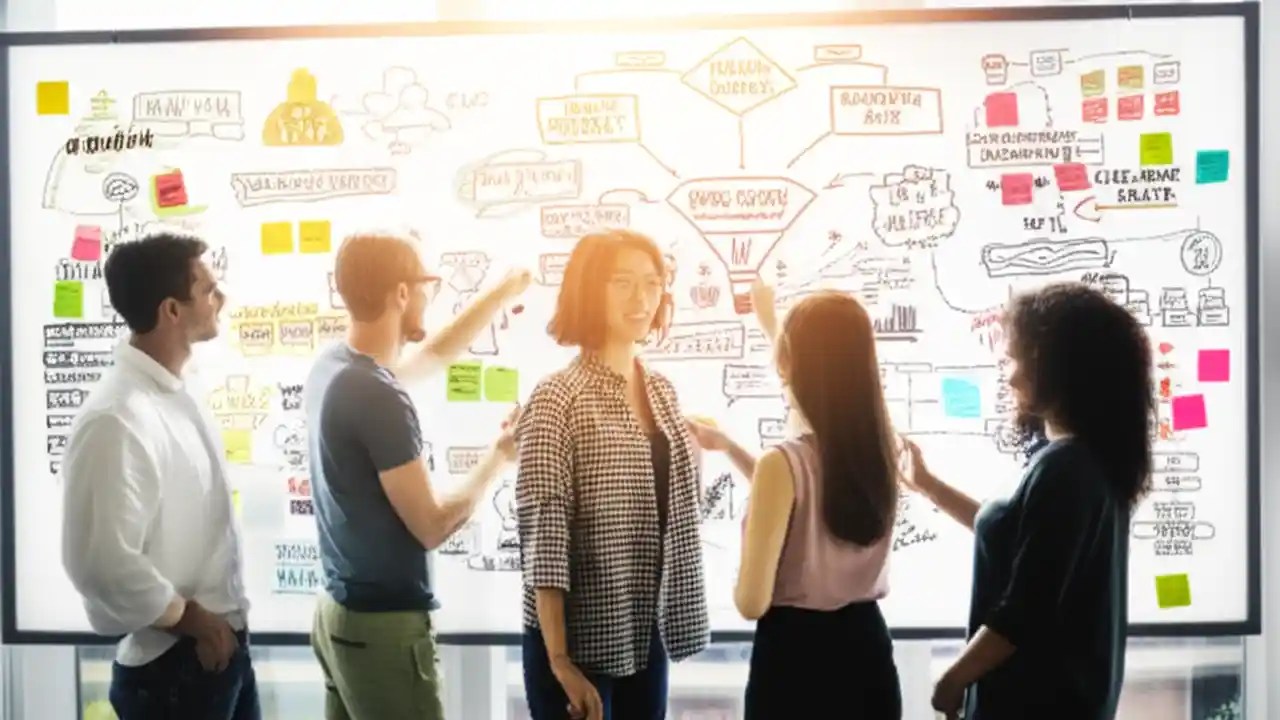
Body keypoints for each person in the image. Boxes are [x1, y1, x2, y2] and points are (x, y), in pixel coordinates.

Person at [305, 232, 530, 720]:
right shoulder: (376, 395)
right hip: (382, 630)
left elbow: (434, 355)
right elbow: (431, 525)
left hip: (339, 618)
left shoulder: (335, 369)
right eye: (427, 285)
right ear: (402, 293)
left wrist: (500, 294)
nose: (431, 295)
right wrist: (497, 459)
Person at [903, 282, 1154, 719]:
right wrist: (927, 484)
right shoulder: (1082, 462)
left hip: (1036, 703)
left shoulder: (1066, 470)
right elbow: (1014, 535)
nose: (1009, 375)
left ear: (1051, 364)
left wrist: (954, 678)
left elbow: (1026, 608)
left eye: (1013, 359)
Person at [61, 233, 258, 719]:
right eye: (209, 290)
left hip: (216, 653)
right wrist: (189, 619)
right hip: (173, 668)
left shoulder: (172, 391)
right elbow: (98, 562)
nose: (221, 298)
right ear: (172, 310)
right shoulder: (117, 416)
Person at [516, 229, 709, 720]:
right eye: (621, 283)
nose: (640, 298)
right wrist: (559, 660)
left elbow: (673, 509)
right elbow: (545, 533)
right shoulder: (558, 396)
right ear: (589, 291)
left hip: (645, 632)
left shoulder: (662, 391)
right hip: (576, 645)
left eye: (651, 283)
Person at [690, 287, 904, 719]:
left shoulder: (783, 464)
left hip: (796, 661)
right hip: (868, 653)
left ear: (788, 362)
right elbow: (807, 497)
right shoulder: (881, 450)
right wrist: (730, 447)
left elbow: (751, 602)